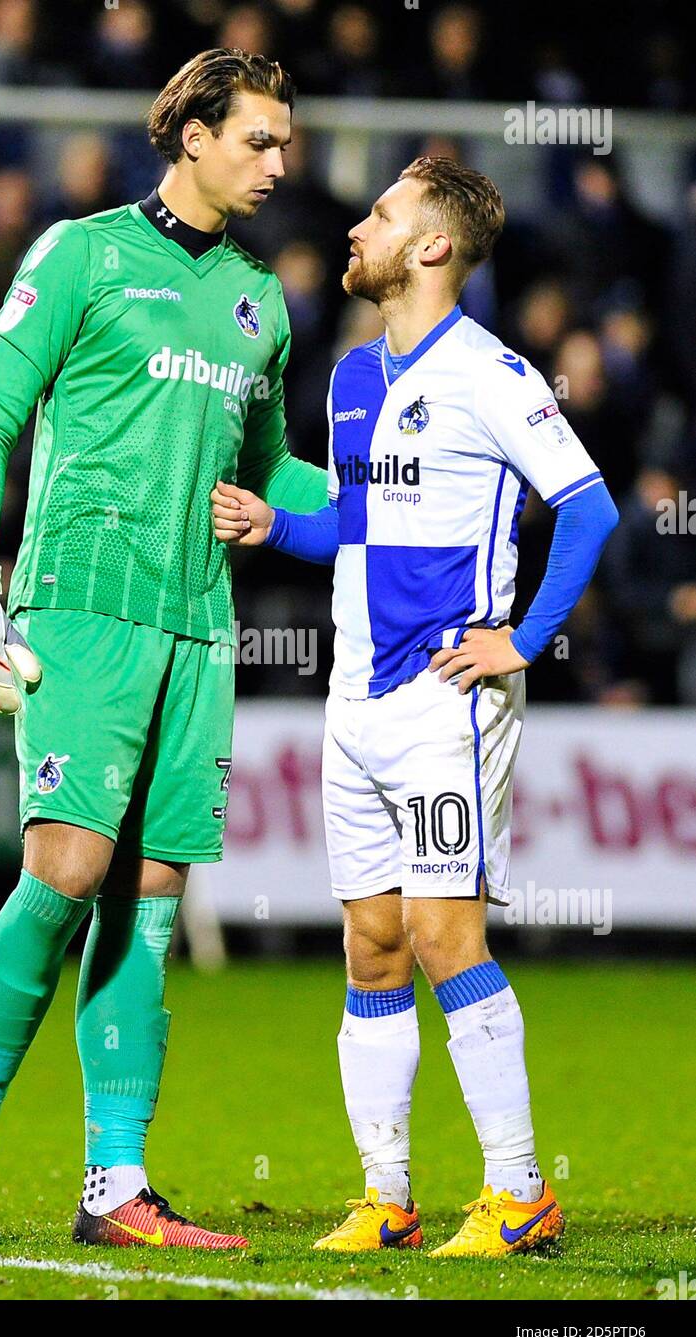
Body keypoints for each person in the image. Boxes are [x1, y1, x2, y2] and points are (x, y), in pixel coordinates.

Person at [0, 48, 327, 1251]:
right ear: (191, 134)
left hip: (199, 625)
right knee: (66, 872)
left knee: (151, 900)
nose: (278, 161)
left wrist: (390, 487)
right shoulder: (79, 254)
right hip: (83, 607)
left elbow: (270, 473)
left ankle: (117, 1185)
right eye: (257, 137)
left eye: (286, 142)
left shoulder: (264, 300)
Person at [212, 155, 618, 1257]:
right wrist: (270, 526)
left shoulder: (492, 373)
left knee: (446, 935)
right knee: (374, 946)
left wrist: (522, 639)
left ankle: (521, 1192)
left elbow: (587, 508)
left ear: (431, 247)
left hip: (447, 700)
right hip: (355, 704)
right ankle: (386, 1198)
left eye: (381, 214)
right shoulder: (350, 376)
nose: (358, 227)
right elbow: (358, 521)